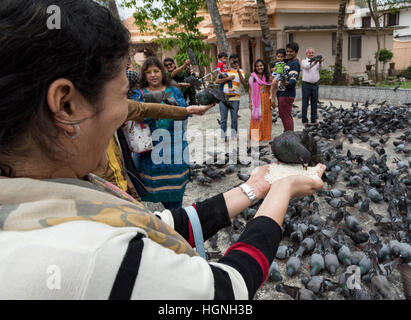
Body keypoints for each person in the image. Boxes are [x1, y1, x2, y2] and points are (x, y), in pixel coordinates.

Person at [0, 0, 326, 300]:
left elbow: (155, 223)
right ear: (66, 105)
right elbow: (227, 293)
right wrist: (282, 189)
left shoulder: (40, 201)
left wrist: (253, 188)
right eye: (122, 94)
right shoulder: (92, 255)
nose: (126, 110)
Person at [131, 56, 191, 210]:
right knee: (153, 194)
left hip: (175, 149)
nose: (153, 75)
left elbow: (183, 111)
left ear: (162, 72)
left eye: (156, 71)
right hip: (151, 153)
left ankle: (177, 222)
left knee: (176, 195)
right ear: (144, 75)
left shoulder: (174, 91)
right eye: (148, 72)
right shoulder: (138, 94)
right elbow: (137, 114)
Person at [215, 54, 246, 142]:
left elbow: (244, 82)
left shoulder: (241, 71)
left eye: (236, 60)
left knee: (234, 118)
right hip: (223, 98)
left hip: (236, 98)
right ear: (229, 61)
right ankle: (223, 136)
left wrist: (238, 71)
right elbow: (217, 81)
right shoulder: (224, 70)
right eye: (232, 60)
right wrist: (228, 78)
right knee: (223, 118)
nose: (234, 62)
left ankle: (234, 135)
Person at [277, 42, 301, 132]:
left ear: (296, 52)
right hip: (281, 93)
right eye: (287, 51)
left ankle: (289, 135)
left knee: (286, 115)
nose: (288, 53)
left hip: (287, 94)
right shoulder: (288, 62)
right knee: (283, 114)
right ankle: (286, 132)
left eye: (291, 51)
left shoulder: (294, 63)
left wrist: (285, 82)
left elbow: (292, 81)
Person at [248, 59, 273, 143]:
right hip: (256, 102)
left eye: (261, 65)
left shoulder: (268, 76)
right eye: (257, 66)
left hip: (266, 100)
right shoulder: (253, 77)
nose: (259, 67)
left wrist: (272, 99)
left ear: (264, 66)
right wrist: (250, 102)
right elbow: (250, 90)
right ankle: (255, 136)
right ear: (255, 67)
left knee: (265, 117)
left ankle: (265, 135)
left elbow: (272, 88)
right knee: (256, 118)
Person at [301, 47, 325, 125]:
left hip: (315, 84)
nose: (311, 54)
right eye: (309, 53)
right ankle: (304, 120)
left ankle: (313, 119)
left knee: (314, 102)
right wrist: (315, 62)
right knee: (305, 103)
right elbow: (308, 67)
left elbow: (320, 67)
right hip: (306, 84)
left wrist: (320, 62)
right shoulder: (304, 61)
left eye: (312, 53)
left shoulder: (316, 61)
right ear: (306, 54)